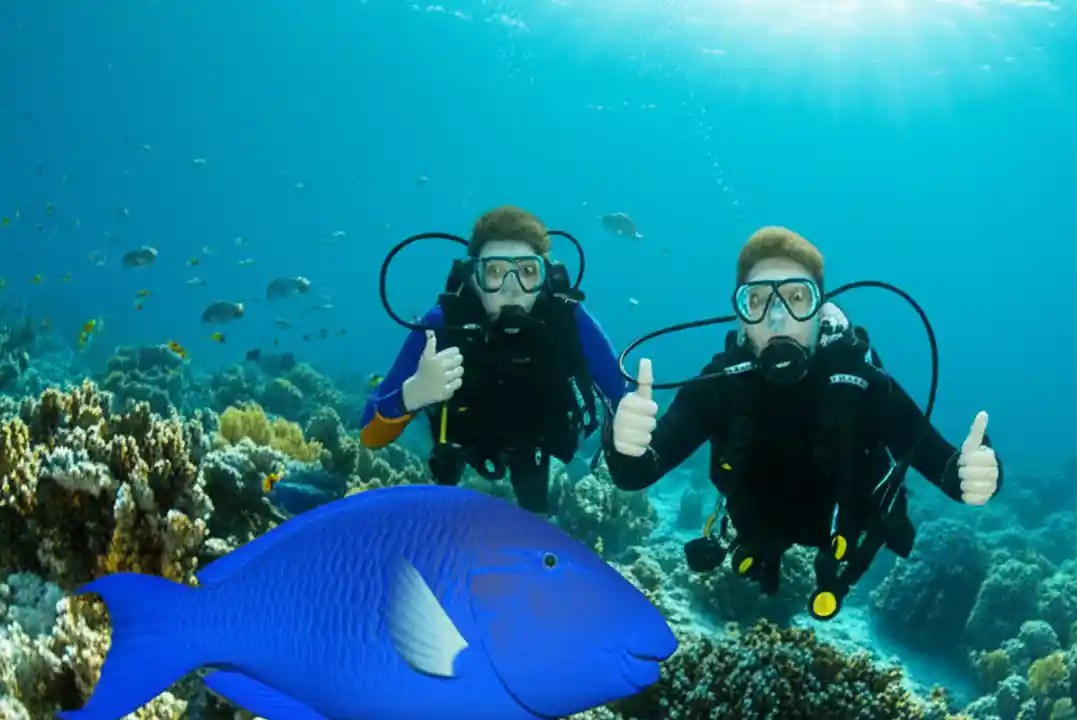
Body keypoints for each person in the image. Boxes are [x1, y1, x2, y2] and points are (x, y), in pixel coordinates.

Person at [602, 226, 1003, 620]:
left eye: (797, 297)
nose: (778, 319)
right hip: (755, 527)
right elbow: (636, 473)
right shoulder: (720, 385)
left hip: (842, 535)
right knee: (757, 553)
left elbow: (949, 472)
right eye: (757, 300)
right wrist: (623, 445)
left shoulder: (861, 385)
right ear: (741, 316)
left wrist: (980, 473)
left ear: (819, 309)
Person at [361, 205, 625, 513]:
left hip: (537, 442)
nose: (511, 290)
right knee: (446, 505)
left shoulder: (568, 321)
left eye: (527, 272)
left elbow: (621, 398)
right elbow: (370, 435)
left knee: (533, 507)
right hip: (465, 442)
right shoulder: (441, 326)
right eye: (495, 272)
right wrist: (411, 394)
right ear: (474, 276)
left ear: (544, 276)